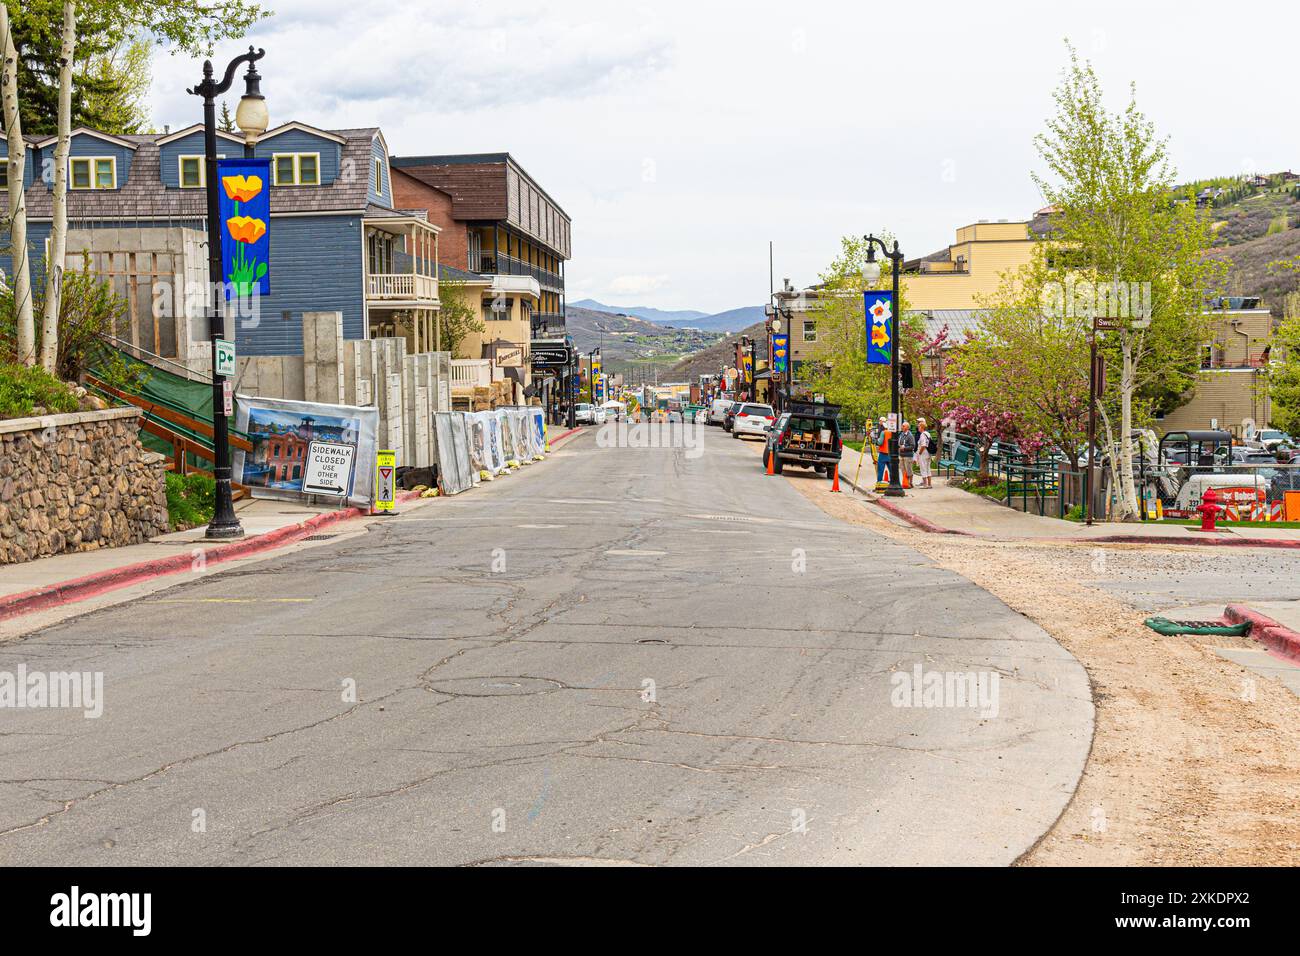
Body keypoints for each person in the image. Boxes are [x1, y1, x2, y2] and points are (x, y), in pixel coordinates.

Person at [915, 417, 934, 488]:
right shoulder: (928, 434)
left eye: (919, 426)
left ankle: (925, 484)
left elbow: (923, 445)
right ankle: (929, 484)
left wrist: (919, 453)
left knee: (923, 468)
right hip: (928, 453)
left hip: (923, 453)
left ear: (921, 427)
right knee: (928, 468)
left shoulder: (922, 435)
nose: (918, 428)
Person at [875, 417, 892, 486]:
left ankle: (879, 483)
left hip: (883, 454)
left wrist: (876, 440)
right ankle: (892, 483)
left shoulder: (883, 432)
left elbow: (880, 443)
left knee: (880, 470)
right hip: (890, 454)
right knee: (891, 470)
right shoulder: (891, 433)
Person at [898, 421, 916, 488]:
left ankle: (910, 483)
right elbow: (899, 443)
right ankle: (905, 482)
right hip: (901, 455)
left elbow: (913, 446)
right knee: (903, 470)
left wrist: (905, 447)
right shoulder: (901, 434)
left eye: (903, 426)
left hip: (908, 455)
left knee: (909, 470)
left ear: (907, 427)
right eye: (902, 426)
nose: (902, 427)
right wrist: (900, 446)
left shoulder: (910, 435)